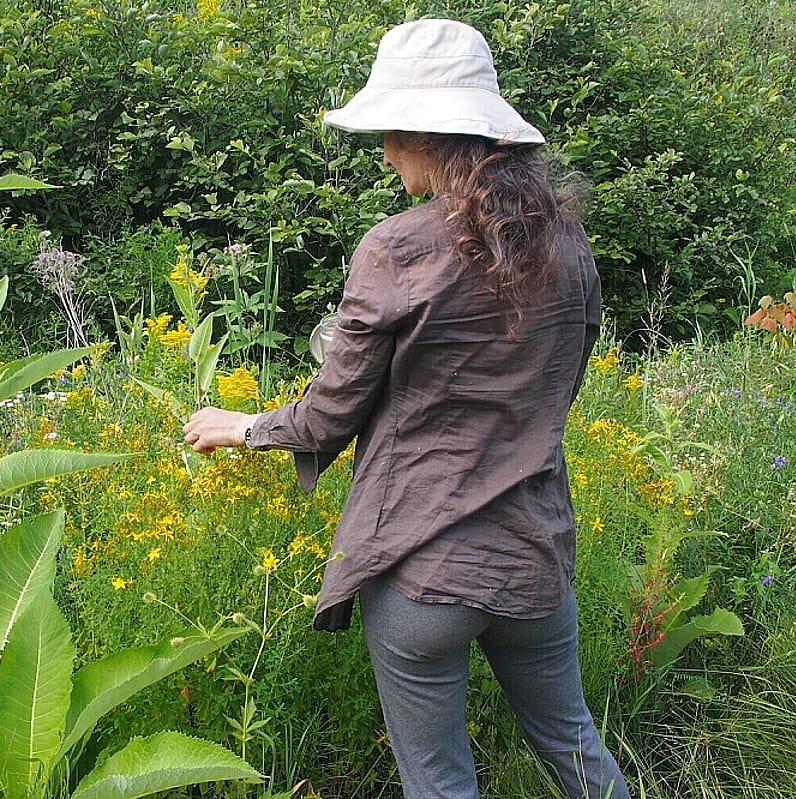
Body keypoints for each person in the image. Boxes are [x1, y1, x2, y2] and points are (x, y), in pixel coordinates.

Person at [183, 18, 630, 799]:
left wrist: (245, 427)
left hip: (423, 569)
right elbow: (558, 390)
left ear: (430, 135)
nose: (386, 152)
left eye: (392, 132)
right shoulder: (569, 244)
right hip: (533, 562)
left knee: (440, 784)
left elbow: (329, 416)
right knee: (577, 749)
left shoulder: (397, 248)